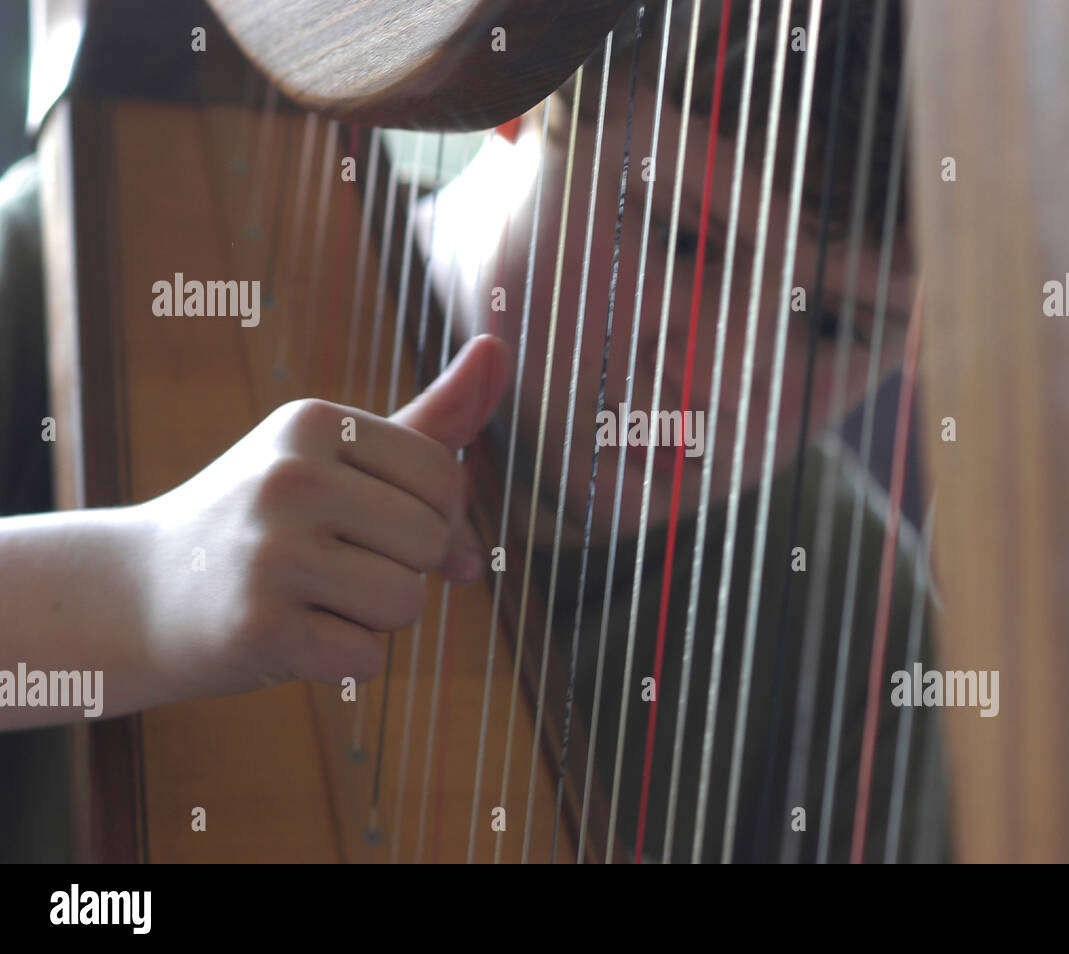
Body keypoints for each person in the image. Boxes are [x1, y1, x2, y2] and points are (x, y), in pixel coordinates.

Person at [0, 0, 944, 862]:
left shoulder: (868, 631)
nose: (713, 377)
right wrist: (134, 589)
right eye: (683, 239)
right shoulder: (45, 271)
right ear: (520, 104)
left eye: (832, 326)